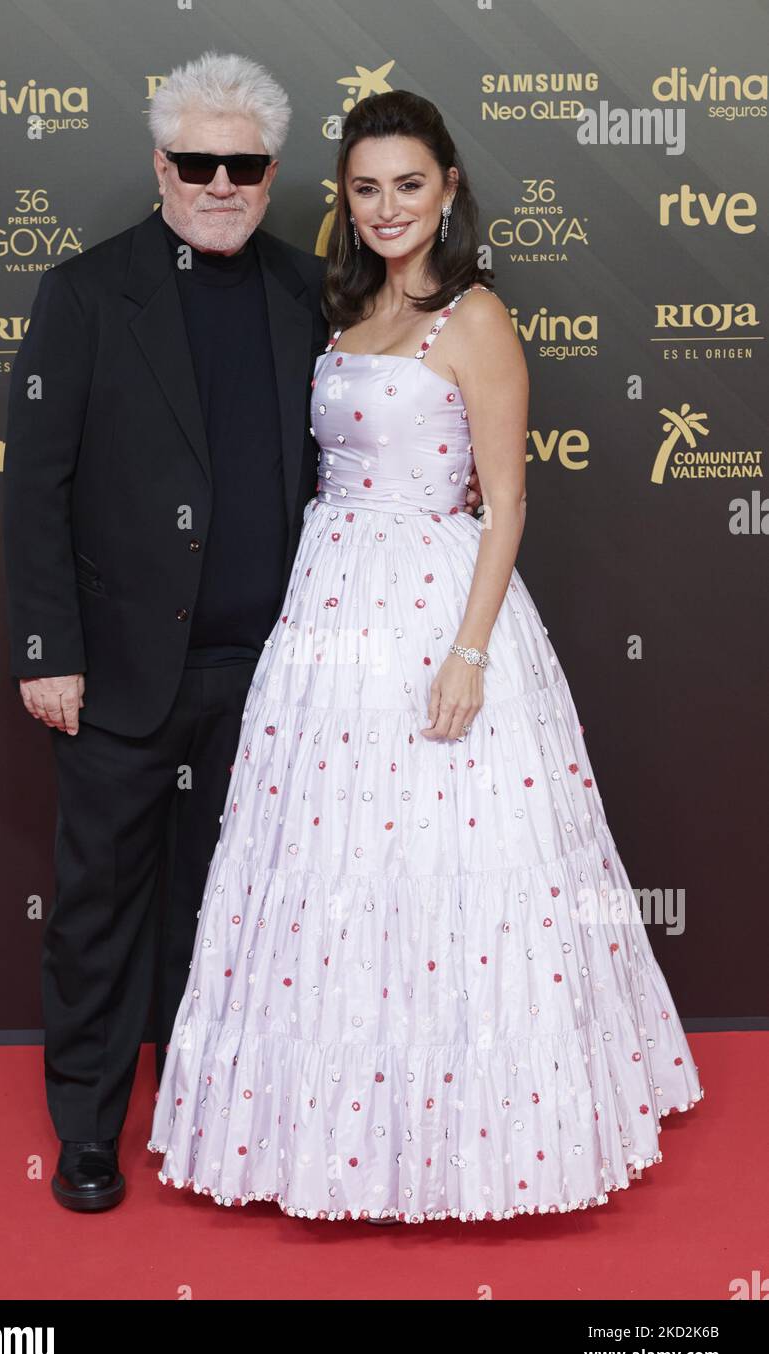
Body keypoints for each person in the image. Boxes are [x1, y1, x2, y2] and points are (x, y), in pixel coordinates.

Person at [148, 88, 704, 1225]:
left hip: (432, 612)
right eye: (365, 188)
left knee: (457, 877)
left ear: (448, 188)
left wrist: (467, 652)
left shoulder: (477, 319)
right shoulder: (343, 311)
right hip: (326, 606)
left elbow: (503, 506)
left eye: (409, 184)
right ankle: (340, 1126)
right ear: (343, 203)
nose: (388, 206)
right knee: (331, 873)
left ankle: (470, 1137)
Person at [2, 55, 483, 1213]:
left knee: (228, 909)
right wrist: (45, 650)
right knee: (100, 908)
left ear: (272, 177)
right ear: (162, 167)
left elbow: (356, 453)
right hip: (118, 671)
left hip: (275, 671)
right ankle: (85, 1130)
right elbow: (34, 489)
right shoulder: (84, 293)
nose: (221, 182)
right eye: (198, 162)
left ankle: (203, 1112)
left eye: (245, 164)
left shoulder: (301, 292)